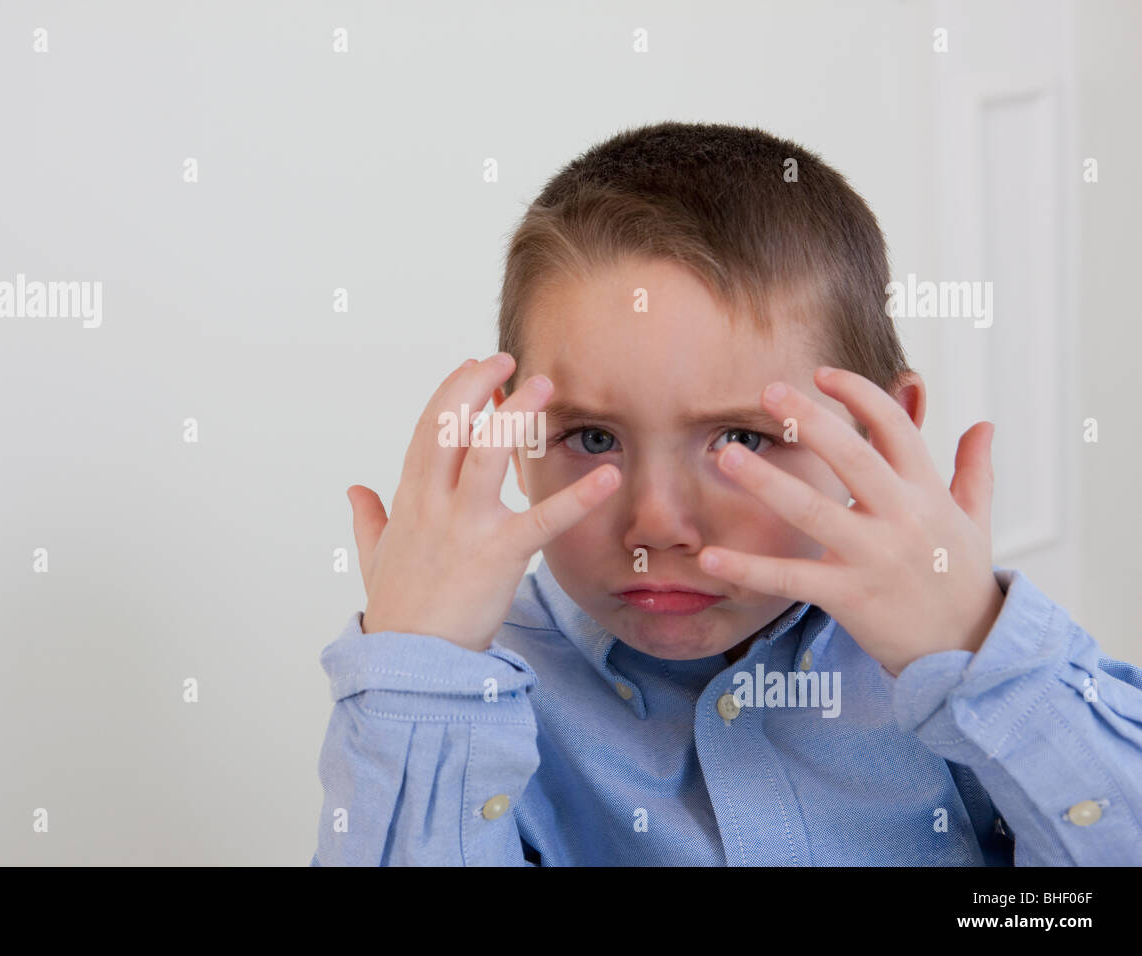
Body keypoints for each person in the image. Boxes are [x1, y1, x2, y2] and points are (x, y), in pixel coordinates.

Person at [312, 122, 1142, 865]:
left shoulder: (960, 662)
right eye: (593, 439)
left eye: (742, 440)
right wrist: (421, 679)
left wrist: (981, 657)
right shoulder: (473, 696)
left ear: (877, 424)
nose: (656, 524)